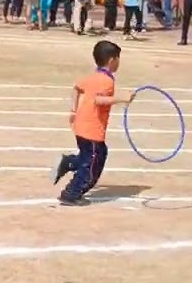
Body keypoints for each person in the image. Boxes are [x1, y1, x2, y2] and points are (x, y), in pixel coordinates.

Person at [53, 39, 135, 206]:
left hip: (82, 127)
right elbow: (99, 100)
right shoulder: (107, 81)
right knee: (92, 164)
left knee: (90, 156)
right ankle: (71, 193)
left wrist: (73, 110)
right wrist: (122, 98)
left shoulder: (93, 77)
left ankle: (68, 162)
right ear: (112, 60)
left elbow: (76, 88)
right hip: (92, 131)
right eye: (118, 59)